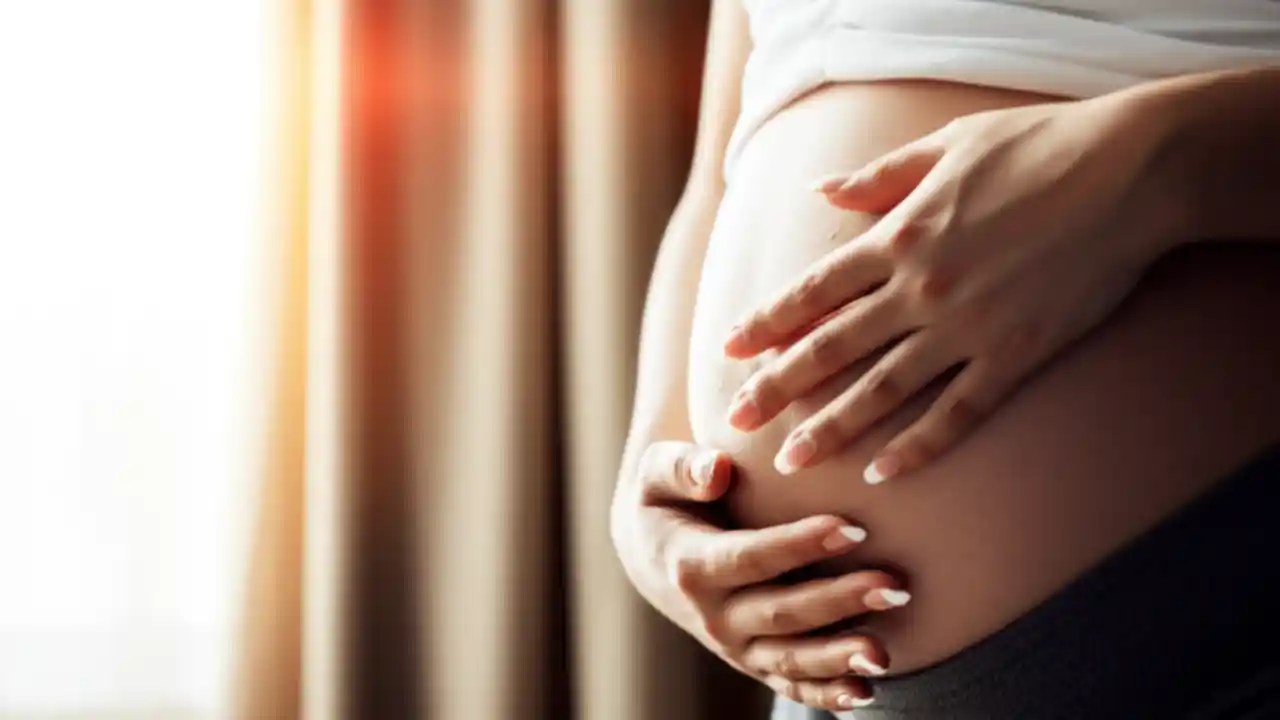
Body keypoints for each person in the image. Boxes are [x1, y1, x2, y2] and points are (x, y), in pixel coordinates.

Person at [610, 1, 1280, 717]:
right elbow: (721, 167)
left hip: (1216, 599)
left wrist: (1152, 165)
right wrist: (650, 466)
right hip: (833, 684)